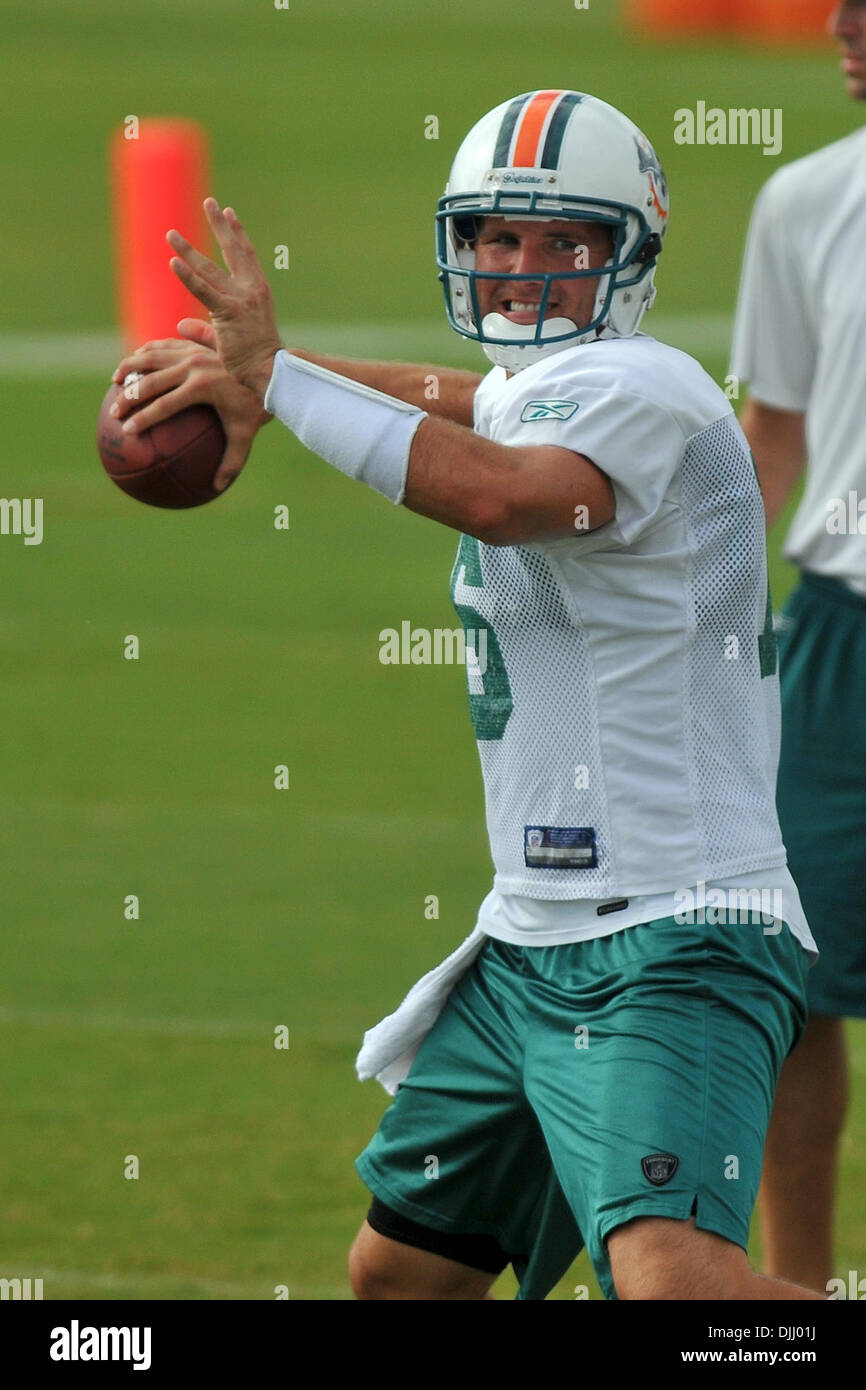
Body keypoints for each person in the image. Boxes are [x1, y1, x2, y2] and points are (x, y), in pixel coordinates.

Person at [111, 89, 822, 1301]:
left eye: (563, 245)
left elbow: (501, 491)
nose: (522, 273)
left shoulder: (643, 388)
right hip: (529, 938)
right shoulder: (542, 385)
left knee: (672, 1288)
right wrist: (260, 371)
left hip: (676, 926)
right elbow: (467, 400)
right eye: (497, 238)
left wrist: (279, 382)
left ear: (626, 256)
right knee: (396, 1277)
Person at [729, 2, 866, 1295]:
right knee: (794, 977)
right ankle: (799, 1297)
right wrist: (696, 610)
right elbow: (771, 431)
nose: (840, 24)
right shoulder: (804, 201)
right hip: (838, 637)